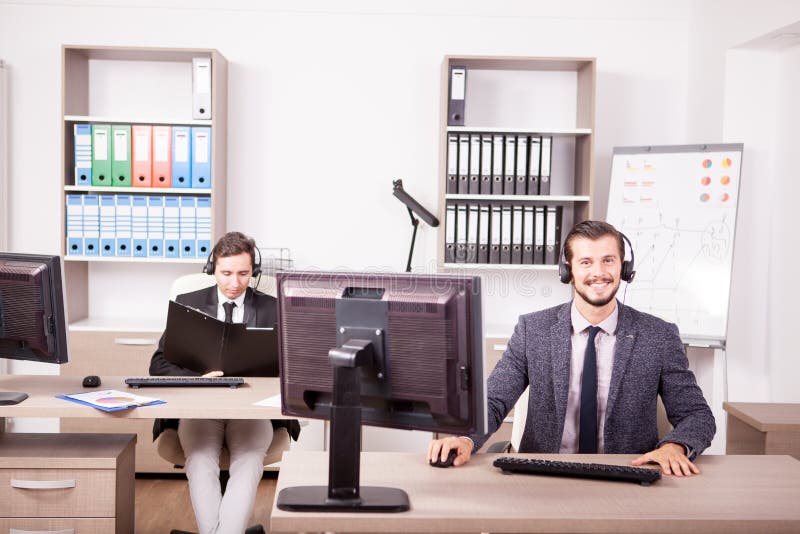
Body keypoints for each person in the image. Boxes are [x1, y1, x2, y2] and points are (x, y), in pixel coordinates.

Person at [428, 220, 715, 476]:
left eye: (608, 261)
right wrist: (464, 438)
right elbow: (492, 401)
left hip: (627, 475)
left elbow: (697, 415)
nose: (599, 273)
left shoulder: (658, 336)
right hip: (544, 476)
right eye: (586, 262)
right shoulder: (533, 330)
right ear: (568, 270)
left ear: (624, 268)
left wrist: (675, 446)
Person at [150, 231, 300, 534]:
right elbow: (158, 364)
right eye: (226, 273)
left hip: (250, 410)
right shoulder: (187, 303)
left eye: (244, 274)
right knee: (201, 458)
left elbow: (293, 365)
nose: (234, 283)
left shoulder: (273, 308)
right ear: (212, 270)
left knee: (248, 459)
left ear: (254, 272)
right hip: (201, 408)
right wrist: (197, 379)